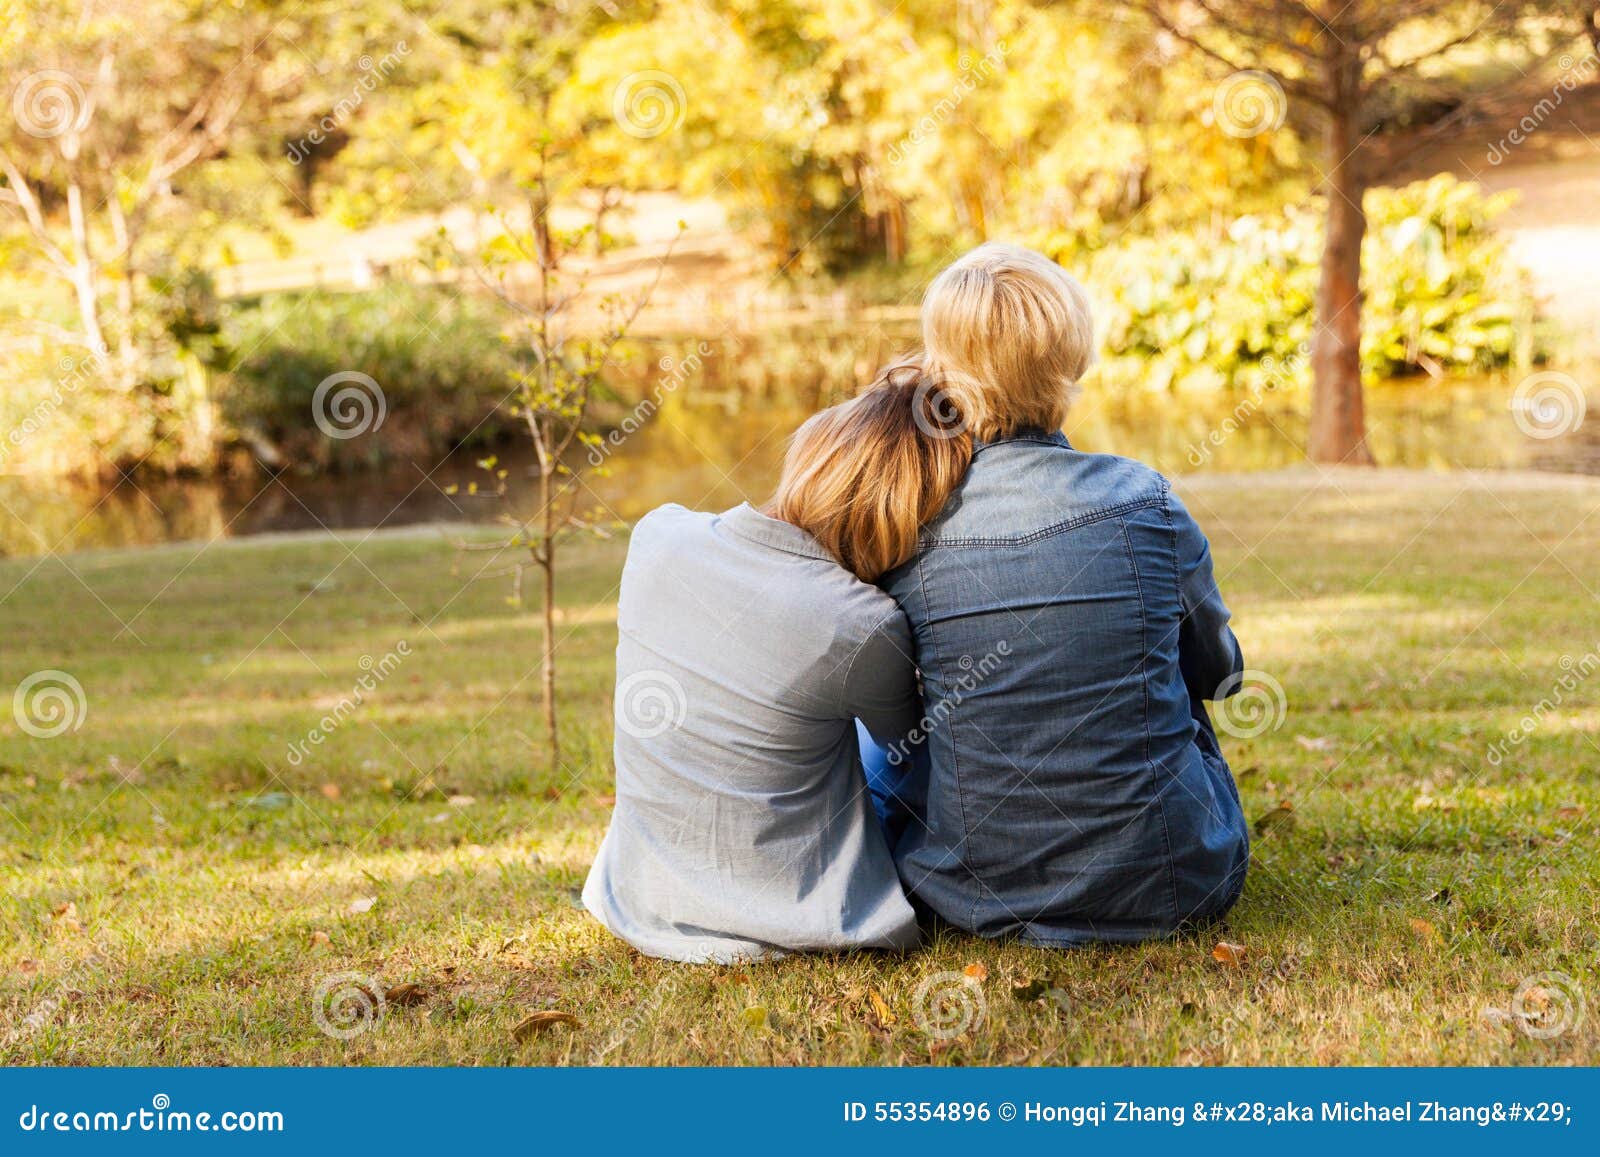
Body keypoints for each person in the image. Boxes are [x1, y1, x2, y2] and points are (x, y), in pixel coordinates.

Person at [869, 242, 1250, 946]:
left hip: (972, 893)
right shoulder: (1146, 499)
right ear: (1074, 357)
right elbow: (1222, 675)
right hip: (1176, 883)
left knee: (891, 730)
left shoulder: (909, 524)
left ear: (940, 372)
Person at [582, 366, 971, 962]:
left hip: (637, 898)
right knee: (911, 743)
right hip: (794, 918)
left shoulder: (657, 535)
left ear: (813, 450)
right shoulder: (861, 621)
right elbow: (908, 751)